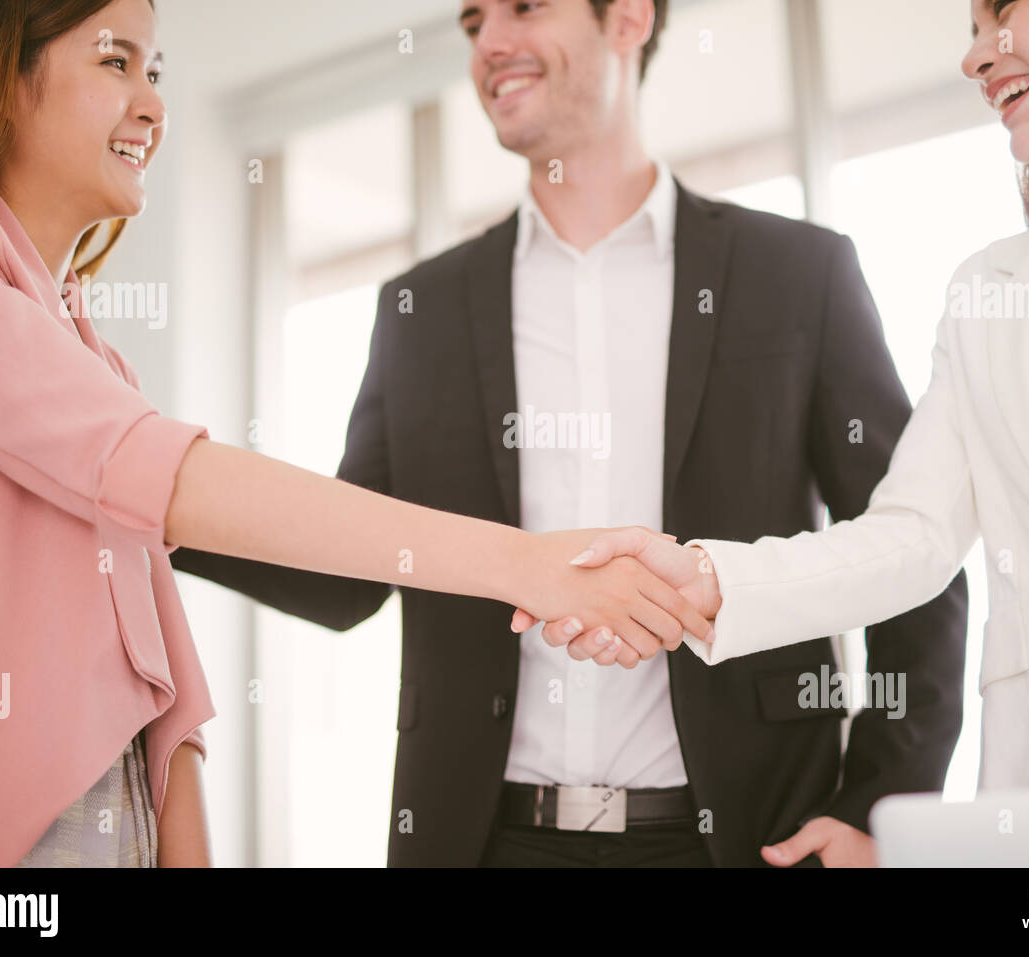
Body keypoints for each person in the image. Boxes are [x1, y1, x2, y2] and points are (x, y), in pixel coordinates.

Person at [0, 0, 709, 867]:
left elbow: (164, 690)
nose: (153, 106)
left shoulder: (99, 362)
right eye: (117, 64)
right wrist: (533, 564)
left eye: (158, 73)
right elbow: (165, 478)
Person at [171, 0, 968, 868]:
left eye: (523, 8)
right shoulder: (420, 309)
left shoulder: (797, 275)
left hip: (749, 842)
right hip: (483, 844)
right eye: (474, 23)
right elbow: (348, 576)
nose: (491, 45)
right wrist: (156, 492)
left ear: (628, 17)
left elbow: (912, 556)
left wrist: (877, 804)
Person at [547, 0, 1029, 810]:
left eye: (1000, 10)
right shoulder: (987, 291)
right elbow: (914, 537)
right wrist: (708, 576)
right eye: (969, 30)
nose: (974, 58)